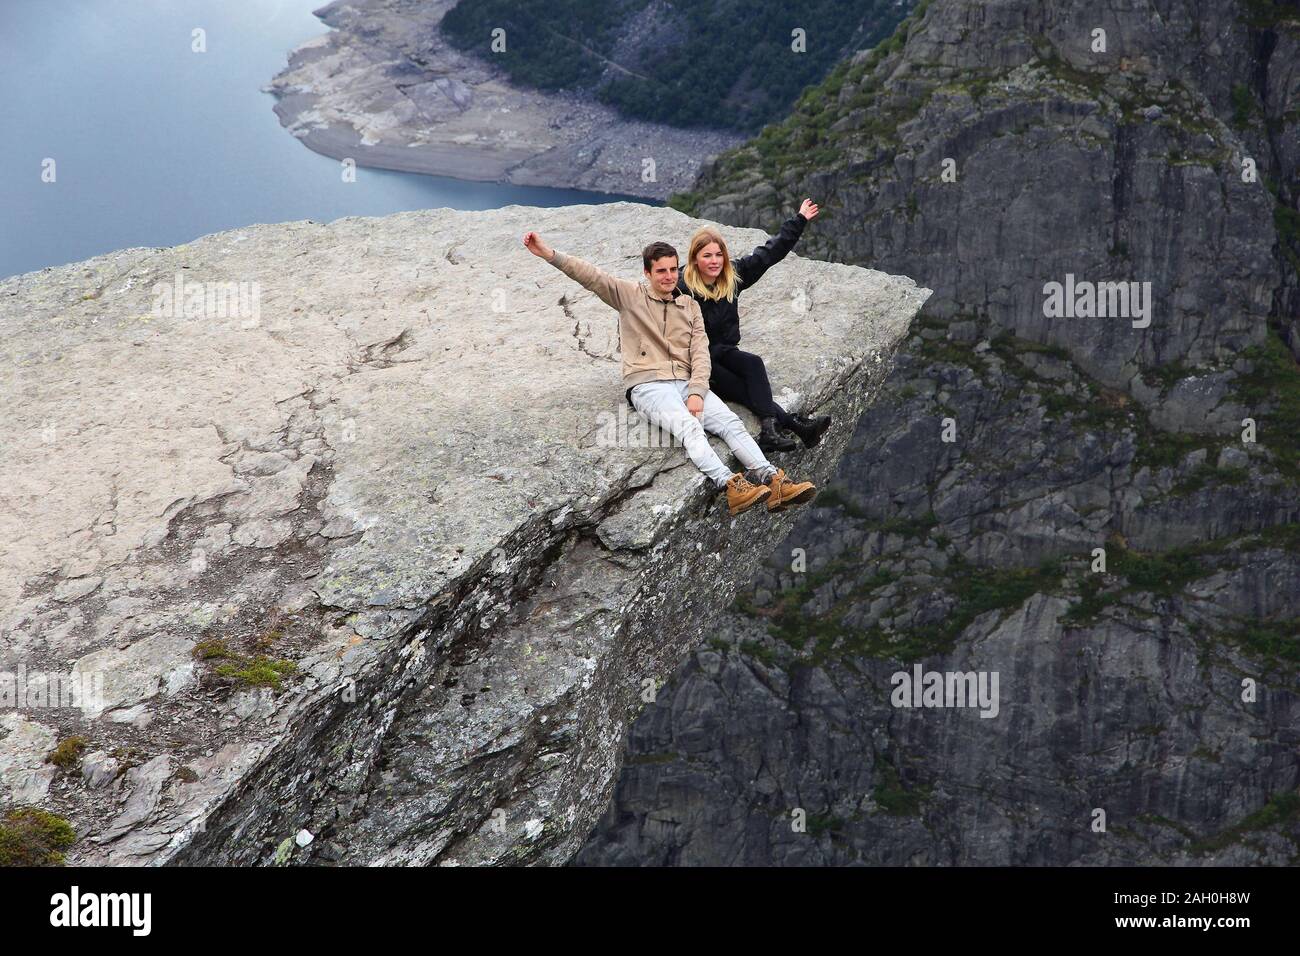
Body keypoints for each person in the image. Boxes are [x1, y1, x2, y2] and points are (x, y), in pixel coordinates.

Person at [522, 229, 817, 516]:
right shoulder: (629, 296)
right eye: (661, 271)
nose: (669, 276)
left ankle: (774, 481)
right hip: (648, 386)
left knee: (731, 422)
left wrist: (698, 391)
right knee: (690, 428)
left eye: (673, 270)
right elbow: (589, 275)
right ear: (647, 273)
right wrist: (549, 254)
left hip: (686, 382)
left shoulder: (688, 305)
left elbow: (701, 353)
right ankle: (731, 485)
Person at [679, 198, 833, 454]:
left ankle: (773, 430)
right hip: (698, 361)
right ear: (695, 259)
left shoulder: (732, 277)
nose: (714, 261)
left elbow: (769, 253)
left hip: (724, 351)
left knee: (753, 364)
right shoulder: (682, 288)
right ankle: (793, 426)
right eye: (707, 255)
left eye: (719, 255)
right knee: (744, 390)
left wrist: (800, 219)